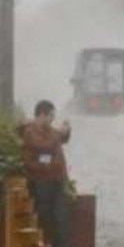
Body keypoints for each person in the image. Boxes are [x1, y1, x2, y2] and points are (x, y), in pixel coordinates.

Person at [17, 100, 71, 247]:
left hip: (57, 177)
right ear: (41, 115)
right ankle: (45, 243)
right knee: (44, 216)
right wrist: (60, 134)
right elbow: (44, 146)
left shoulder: (49, 130)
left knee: (61, 217)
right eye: (50, 116)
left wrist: (66, 130)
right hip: (41, 179)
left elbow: (61, 138)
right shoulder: (30, 132)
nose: (52, 119)